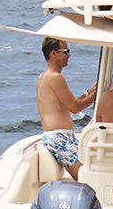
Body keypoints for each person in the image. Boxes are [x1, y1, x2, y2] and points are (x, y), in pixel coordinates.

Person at [37, 37, 97, 180]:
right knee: (85, 178)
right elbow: (75, 108)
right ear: (54, 54)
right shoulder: (55, 78)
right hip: (59, 138)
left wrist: (89, 93)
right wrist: (99, 94)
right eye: (66, 51)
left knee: (90, 171)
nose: (69, 55)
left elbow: (68, 106)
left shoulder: (45, 77)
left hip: (61, 137)